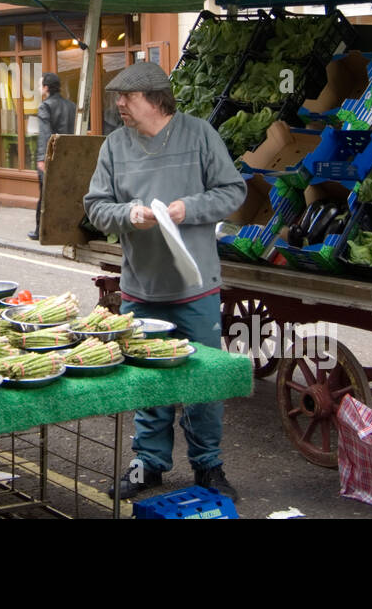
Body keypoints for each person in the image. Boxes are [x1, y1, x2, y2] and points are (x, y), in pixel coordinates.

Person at [83, 61, 247, 503]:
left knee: (205, 382)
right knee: (148, 381)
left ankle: (208, 465)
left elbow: (233, 191)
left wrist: (186, 209)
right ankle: (148, 464)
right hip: (141, 287)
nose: (119, 104)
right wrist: (127, 215)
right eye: (117, 96)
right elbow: (96, 205)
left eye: (127, 96)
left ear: (155, 99)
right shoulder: (115, 146)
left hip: (196, 287)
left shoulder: (199, 136)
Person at [28, 72, 76, 240]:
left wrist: (42, 158)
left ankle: (40, 230)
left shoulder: (45, 106)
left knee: (45, 195)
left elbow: (45, 134)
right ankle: (66, 228)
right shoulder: (71, 106)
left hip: (51, 157)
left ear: (46, 88)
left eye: (41, 84)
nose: (40, 88)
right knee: (65, 193)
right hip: (68, 155)